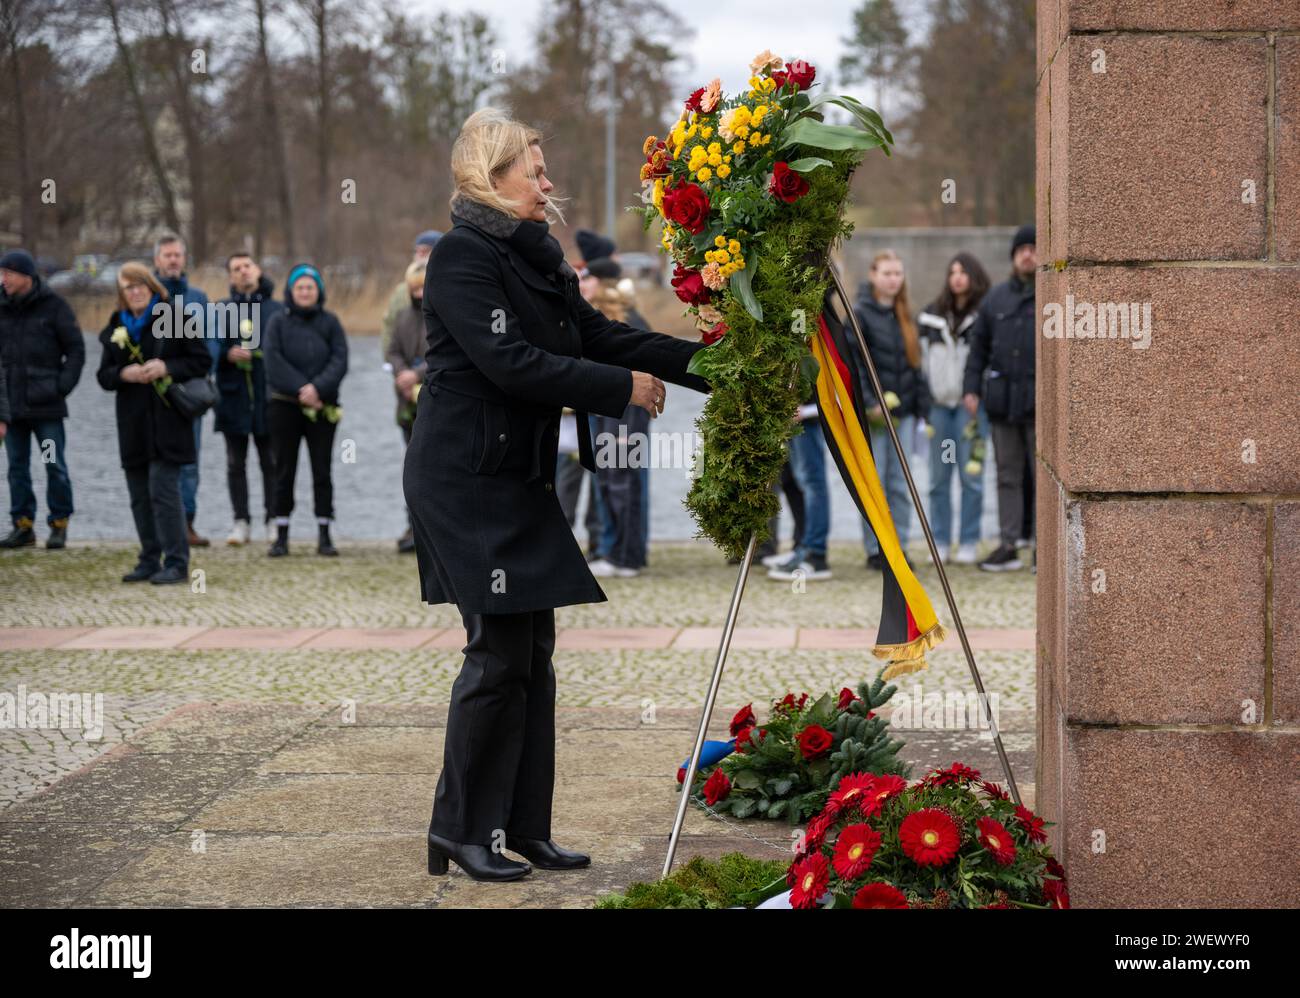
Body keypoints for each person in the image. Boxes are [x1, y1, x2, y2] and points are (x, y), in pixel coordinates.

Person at [404, 106, 710, 882]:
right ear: (491, 175)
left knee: (532, 655)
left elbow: (596, 336)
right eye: (534, 171)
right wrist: (621, 390)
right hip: (464, 479)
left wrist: (710, 364)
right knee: (498, 655)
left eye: (544, 170)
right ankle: (461, 830)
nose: (548, 183)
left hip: (515, 476)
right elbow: (509, 363)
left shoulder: (534, 254)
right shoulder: (461, 259)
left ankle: (522, 827)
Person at [96, 262, 212, 583]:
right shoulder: (116, 325)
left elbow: (202, 361)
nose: (134, 292)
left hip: (168, 421)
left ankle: (176, 562)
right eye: (127, 287)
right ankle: (149, 558)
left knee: (163, 491)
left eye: (139, 286)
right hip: (132, 422)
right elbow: (103, 376)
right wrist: (124, 373)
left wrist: (166, 367)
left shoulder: (175, 317)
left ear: (151, 287)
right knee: (138, 494)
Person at [963, 224, 1037, 572]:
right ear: (1013, 255)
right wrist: (971, 387)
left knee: (1042, 478)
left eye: (1034, 248)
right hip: (1003, 403)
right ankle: (1008, 544)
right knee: (1007, 474)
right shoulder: (996, 298)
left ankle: (1042, 547)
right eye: (1022, 248)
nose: (1028, 254)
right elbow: (977, 347)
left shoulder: (1053, 295)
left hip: (1040, 405)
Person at [849, 250, 929, 570]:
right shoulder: (860, 315)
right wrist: (870, 402)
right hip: (875, 415)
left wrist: (922, 406)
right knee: (875, 482)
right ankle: (874, 548)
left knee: (900, 483)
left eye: (898, 273)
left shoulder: (905, 315)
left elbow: (915, 367)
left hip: (904, 413)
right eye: (887, 273)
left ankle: (900, 546)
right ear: (873, 275)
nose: (893, 279)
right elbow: (855, 365)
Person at [0, 249, 84, 550]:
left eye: (8, 273)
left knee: (53, 465)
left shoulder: (55, 307)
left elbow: (75, 350)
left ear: (26, 276)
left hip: (47, 408)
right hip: (11, 409)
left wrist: (61, 386)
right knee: (16, 468)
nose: (3, 279)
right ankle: (22, 526)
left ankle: (59, 523)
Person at [263, 263, 348, 557]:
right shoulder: (277, 323)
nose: (305, 292)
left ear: (318, 292)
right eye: (299, 287)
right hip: (284, 406)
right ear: (291, 291)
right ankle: (281, 534)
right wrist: (302, 389)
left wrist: (317, 390)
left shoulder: (331, 323)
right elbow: (272, 361)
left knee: (321, 470)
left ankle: (325, 534)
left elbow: (340, 360)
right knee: (283, 469)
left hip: (323, 407)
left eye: (310, 287)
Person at [579, 257, 650, 578]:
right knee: (606, 483)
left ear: (602, 282)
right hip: (601, 410)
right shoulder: (595, 317)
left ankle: (627, 557)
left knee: (624, 483)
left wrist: (629, 427)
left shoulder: (629, 319)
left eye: (587, 278)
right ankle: (612, 551)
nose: (582, 284)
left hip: (627, 415)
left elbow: (646, 373)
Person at [919, 252, 991, 565]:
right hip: (938, 408)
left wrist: (978, 392)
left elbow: (988, 361)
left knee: (971, 477)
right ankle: (940, 541)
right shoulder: (930, 317)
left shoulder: (985, 316)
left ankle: (969, 541)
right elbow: (919, 364)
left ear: (974, 277)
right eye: (953, 272)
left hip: (970, 409)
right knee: (937, 480)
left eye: (963, 272)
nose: (958, 277)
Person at [152, 232, 216, 548]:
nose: (173, 260)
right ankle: (158, 526)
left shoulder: (199, 299)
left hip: (189, 392)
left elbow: (210, 342)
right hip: (152, 393)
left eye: (178, 255)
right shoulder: (146, 297)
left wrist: (206, 373)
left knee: (189, 460)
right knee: (153, 459)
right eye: (167, 255)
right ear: (157, 261)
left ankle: (186, 524)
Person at [213, 253, 281, 546]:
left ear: (258, 270)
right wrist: (226, 354)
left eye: (247, 267)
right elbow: (206, 349)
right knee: (234, 463)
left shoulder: (277, 310)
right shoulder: (221, 310)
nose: (243, 273)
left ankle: (273, 519)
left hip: (269, 395)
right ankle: (240, 521)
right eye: (236, 269)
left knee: (271, 461)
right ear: (230, 277)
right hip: (232, 396)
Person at [767, 380, 831, 581]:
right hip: (795, 418)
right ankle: (804, 547)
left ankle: (816, 555)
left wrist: (807, 411)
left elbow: (836, 388)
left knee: (813, 484)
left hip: (807, 420)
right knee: (800, 483)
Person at [385, 260, 428, 553]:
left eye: (425, 286)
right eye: (415, 288)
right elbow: (392, 350)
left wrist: (418, 374)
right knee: (412, 467)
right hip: (406, 402)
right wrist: (402, 374)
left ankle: (432, 529)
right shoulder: (402, 318)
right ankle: (413, 526)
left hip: (432, 398)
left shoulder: (444, 315)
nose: (420, 292)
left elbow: (446, 352)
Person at [379, 231, 442, 358]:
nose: (420, 255)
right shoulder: (401, 291)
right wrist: (392, 362)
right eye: (417, 251)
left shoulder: (448, 286)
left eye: (425, 251)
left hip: (438, 364)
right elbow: (389, 326)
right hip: (405, 367)